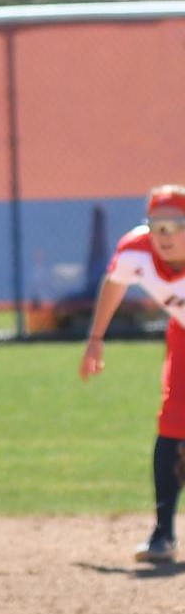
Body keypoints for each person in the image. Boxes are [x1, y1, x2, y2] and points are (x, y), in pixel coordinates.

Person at [80, 184, 185, 563]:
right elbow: (114, 282)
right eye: (156, 225)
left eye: (175, 225)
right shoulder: (135, 250)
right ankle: (163, 534)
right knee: (172, 426)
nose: (164, 235)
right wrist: (95, 338)